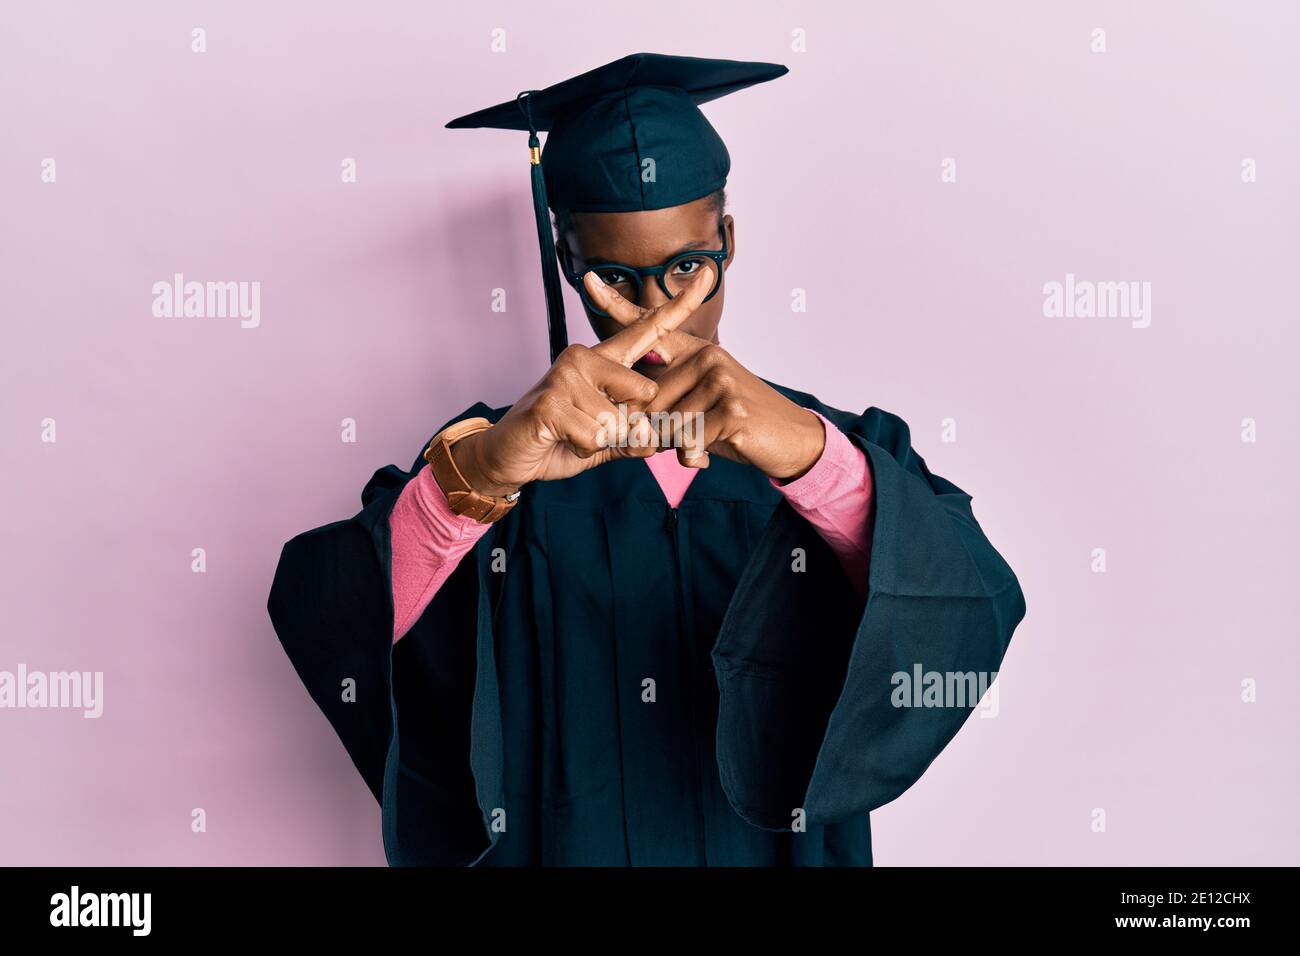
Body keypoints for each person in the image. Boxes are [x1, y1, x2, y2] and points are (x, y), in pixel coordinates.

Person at [267, 52, 1026, 866]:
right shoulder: (492, 458)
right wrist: (480, 480)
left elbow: (970, 605)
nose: (658, 316)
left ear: (727, 242)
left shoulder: (833, 447)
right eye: (617, 278)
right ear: (568, 263)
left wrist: (813, 461)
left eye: (687, 269)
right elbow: (330, 615)